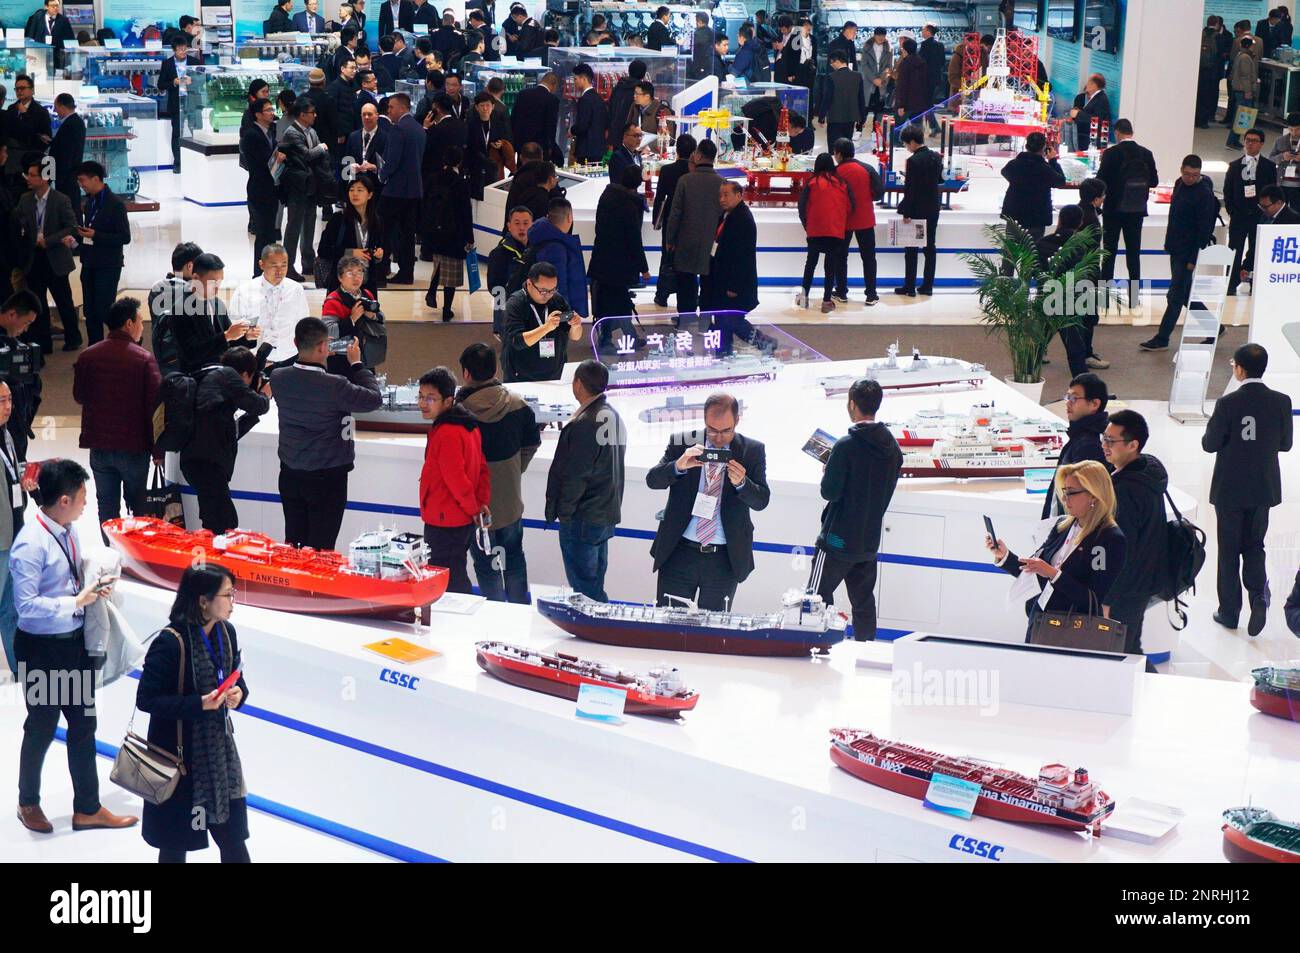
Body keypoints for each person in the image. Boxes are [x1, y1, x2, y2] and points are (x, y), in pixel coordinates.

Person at [12, 459, 138, 835]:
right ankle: (27, 801)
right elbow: (26, 607)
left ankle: (87, 807)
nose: (87, 504)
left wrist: (93, 584)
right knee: (42, 725)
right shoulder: (29, 544)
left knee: (84, 725)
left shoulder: (67, 529)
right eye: (83, 497)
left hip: (72, 646)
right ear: (64, 499)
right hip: (42, 650)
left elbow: (69, 573)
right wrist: (77, 602)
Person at [137, 565, 250, 862]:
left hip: (220, 758)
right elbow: (146, 699)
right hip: (180, 759)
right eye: (227, 594)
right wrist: (197, 705)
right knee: (175, 845)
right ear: (203, 601)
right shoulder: (170, 642)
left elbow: (236, 679)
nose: (232, 601)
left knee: (234, 841)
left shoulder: (227, 633)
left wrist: (239, 695)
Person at [646, 392, 769, 611]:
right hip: (679, 553)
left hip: (724, 559)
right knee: (669, 627)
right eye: (712, 430)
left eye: (726, 431)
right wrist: (678, 466)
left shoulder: (752, 450)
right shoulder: (682, 442)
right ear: (704, 420)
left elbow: (761, 500)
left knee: (713, 634)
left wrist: (742, 483)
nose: (719, 438)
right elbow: (653, 480)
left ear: (737, 421)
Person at [1203, 343, 1294, 636]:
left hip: (1230, 488)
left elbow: (1209, 444)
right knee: (1254, 545)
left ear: (1239, 369)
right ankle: (1258, 596)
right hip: (1262, 487)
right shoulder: (1281, 401)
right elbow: (1286, 444)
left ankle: (1229, 612)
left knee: (1228, 550)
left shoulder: (1227, 403)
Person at [271, 318, 381, 550]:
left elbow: (294, 367)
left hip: (290, 474)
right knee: (321, 550)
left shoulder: (278, 378)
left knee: (294, 544)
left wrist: (314, 352)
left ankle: (295, 584)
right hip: (327, 478)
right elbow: (373, 398)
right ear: (324, 347)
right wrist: (357, 363)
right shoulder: (335, 385)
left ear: (295, 343)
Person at [986, 460, 1127, 640]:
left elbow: (1091, 598)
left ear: (1094, 495)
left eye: (1072, 493)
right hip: (1040, 621)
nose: (1065, 499)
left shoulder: (1109, 539)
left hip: (1073, 631)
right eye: (1064, 492)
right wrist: (1005, 556)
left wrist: (1054, 574)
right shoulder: (1062, 526)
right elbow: (1035, 570)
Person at [811, 378, 901, 641]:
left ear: (852, 404)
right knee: (863, 603)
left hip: (836, 540)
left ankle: (820, 646)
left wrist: (828, 470)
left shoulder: (845, 446)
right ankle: (866, 652)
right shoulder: (893, 449)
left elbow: (829, 492)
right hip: (868, 540)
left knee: (816, 598)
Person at [457, 344, 539, 603]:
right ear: (495, 369)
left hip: (476, 508)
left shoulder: (458, 413)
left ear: (466, 373)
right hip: (510, 501)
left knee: (484, 564)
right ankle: (518, 610)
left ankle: (493, 617)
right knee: (515, 559)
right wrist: (514, 469)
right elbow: (532, 443)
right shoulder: (518, 404)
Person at [72, 295, 160, 527]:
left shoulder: (87, 356)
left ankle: (112, 555)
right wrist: (158, 448)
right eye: (141, 321)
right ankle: (136, 558)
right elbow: (155, 408)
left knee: (107, 507)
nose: (143, 327)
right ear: (129, 324)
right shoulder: (143, 359)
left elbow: (79, 396)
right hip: (134, 447)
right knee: (139, 507)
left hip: (99, 445)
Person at [544, 360, 626, 601]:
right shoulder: (611, 416)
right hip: (602, 514)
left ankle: (593, 631)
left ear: (578, 384)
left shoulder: (587, 422)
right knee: (594, 581)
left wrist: (565, 512)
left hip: (583, 517)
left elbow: (576, 475)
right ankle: (599, 628)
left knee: (585, 588)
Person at [1099, 409, 1167, 668]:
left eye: (1111, 441)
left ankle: (1155, 698)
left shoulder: (1126, 490)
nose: (1105, 446)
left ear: (1133, 445)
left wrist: (1108, 599)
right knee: (1130, 648)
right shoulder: (1147, 473)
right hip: (1142, 581)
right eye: (1104, 438)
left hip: (1127, 588)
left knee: (1125, 652)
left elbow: (1122, 549)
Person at [180, 347, 270, 534]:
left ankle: (209, 559)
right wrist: (265, 395)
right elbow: (258, 405)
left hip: (194, 459)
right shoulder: (228, 376)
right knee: (225, 521)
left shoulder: (209, 377)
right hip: (207, 463)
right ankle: (213, 561)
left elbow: (230, 429)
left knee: (214, 518)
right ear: (245, 374)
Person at [416, 366, 489, 595]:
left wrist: (475, 508)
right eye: (420, 396)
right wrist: (480, 505)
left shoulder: (447, 431)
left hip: (445, 520)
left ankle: (453, 623)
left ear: (448, 401)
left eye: (431, 398)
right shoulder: (468, 425)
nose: (423, 403)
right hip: (459, 519)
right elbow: (482, 469)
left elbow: (455, 479)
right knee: (455, 571)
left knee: (448, 579)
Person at [1140, 155, 1218, 351]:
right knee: (1184, 294)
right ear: (1181, 169)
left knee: (1175, 295)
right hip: (1175, 247)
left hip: (1187, 253)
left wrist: (1193, 259)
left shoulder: (1204, 195)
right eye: (1186, 174)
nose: (1190, 178)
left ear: (1200, 173)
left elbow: (1204, 230)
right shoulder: (1179, 184)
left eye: (1194, 175)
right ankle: (1214, 327)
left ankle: (1162, 338)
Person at [15, 153, 79, 353]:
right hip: (35, 259)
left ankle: (73, 337)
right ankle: (44, 342)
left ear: (44, 178)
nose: (28, 178)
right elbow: (17, 223)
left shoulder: (61, 200)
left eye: (33, 175)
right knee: (38, 302)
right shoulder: (25, 200)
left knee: (64, 300)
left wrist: (48, 241)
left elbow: (71, 227)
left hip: (55, 257)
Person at [1096, 118, 1157, 310]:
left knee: (1109, 253)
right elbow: (1154, 181)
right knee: (1133, 253)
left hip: (1113, 210)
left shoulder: (1111, 154)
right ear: (1131, 132)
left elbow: (1100, 181)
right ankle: (1133, 298)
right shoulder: (1146, 153)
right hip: (1136, 210)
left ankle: (1104, 297)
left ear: (1117, 133)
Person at [588, 166, 650, 351]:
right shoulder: (630, 204)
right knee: (620, 302)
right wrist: (643, 267)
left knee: (607, 302)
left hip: (602, 258)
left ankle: (613, 338)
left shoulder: (607, 196)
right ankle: (615, 340)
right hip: (620, 265)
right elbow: (633, 239)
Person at [71, 160, 130, 347]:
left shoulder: (115, 204)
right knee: (90, 312)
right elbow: (90, 235)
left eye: (83, 180)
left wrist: (97, 235)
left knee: (105, 310)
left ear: (96, 178)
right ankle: (94, 349)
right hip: (89, 263)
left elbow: (124, 237)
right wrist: (76, 241)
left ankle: (119, 347)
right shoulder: (90, 203)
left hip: (108, 265)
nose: (81, 184)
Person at [706, 181, 767, 354]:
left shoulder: (742, 219)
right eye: (720, 195)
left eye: (726, 194)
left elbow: (743, 257)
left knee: (731, 320)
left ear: (739, 195)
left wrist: (734, 286)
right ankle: (723, 353)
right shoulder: (728, 215)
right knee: (724, 320)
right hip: (722, 279)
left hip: (734, 284)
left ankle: (765, 343)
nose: (722, 199)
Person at [174, 254, 259, 374]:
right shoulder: (179, 308)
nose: (217, 288)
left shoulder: (217, 303)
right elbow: (190, 353)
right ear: (196, 278)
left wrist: (245, 337)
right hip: (194, 377)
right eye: (212, 283)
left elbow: (228, 343)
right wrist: (227, 336)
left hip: (219, 373)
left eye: (220, 282)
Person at [665, 139, 723, 315]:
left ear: (697, 155)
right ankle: (705, 322)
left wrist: (670, 239)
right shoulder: (722, 182)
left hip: (686, 240)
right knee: (709, 284)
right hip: (711, 242)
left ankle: (686, 320)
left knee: (685, 283)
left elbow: (675, 214)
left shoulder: (685, 181)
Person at [278, 98, 333, 282]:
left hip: (311, 186)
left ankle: (308, 262)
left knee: (309, 225)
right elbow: (308, 155)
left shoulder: (311, 131)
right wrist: (321, 147)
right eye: (312, 112)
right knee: (294, 227)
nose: (315, 115)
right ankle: (289, 266)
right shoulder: (292, 133)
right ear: (302, 114)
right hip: (297, 187)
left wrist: (319, 149)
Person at [229, 243, 310, 364]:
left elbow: (304, 322)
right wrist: (246, 334)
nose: (280, 270)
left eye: (284, 265)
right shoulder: (244, 290)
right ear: (262, 264)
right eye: (274, 265)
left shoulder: (296, 289)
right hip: (254, 357)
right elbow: (234, 322)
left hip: (289, 355)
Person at [0, 376, 32, 677]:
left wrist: (25, 477)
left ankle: (19, 669)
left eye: (9, 400)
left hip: (13, 534)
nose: (8, 407)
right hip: (0, 540)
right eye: (1, 401)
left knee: (12, 607)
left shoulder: (6, 435)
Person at [502, 261, 582, 383]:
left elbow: (575, 337)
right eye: (543, 291)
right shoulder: (515, 303)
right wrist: (546, 328)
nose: (548, 295)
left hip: (555, 375)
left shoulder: (557, 300)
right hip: (522, 377)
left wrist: (576, 326)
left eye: (553, 290)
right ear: (529, 283)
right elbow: (517, 341)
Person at [1043, 372, 1109, 518]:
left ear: (1094, 404)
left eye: (1074, 398)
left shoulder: (1090, 444)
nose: (1068, 403)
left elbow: (1084, 501)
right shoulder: (1082, 435)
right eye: (1067, 397)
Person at [1037, 205, 1092, 378]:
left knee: (1040, 337)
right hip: (1070, 300)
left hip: (1047, 297)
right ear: (1080, 223)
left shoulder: (1043, 242)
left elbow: (1034, 270)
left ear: (1059, 220)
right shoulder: (1081, 245)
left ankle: (1029, 367)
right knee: (1075, 347)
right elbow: (1088, 275)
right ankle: (1083, 381)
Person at [378, 93, 424, 285]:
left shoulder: (398, 130)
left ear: (402, 108)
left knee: (384, 231)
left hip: (395, 190)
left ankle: (381, 270)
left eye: (391, 107)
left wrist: (382, 175)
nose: (389, 111)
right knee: (407, 233)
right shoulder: (419, 129)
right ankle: (407, 272)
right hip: (414, 189)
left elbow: (392, 160)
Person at [1224, 128, 1276, 296]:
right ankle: (1231, 284)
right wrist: (1232, 210)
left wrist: (1266, 213)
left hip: (1259, 216)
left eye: (1254, 141)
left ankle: (1255, 283)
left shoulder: (1268, 167)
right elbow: (1227, 191)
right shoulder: (1234, 166)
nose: (1250, 144)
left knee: (1257, 251)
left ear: (1261, 144)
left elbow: (1272, 190)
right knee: (1234, 251)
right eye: (1247, 140)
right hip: (1239, 216)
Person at [797, 153, 851, 314]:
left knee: (810, 264)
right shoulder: (842, 183)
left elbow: (802, 207)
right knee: (830, 266)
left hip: (815, 230)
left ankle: (804, 299)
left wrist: (807, 225)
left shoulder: (811, 182)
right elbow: (849, 206)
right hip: (835, 230)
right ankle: (826, 301)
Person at [424, 145, 473, 320]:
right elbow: (466, 212)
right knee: (451, 271)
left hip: (435, 231)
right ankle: (446, 309)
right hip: (455, 233)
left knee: (439, 263)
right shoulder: (460, 183)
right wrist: (469, 237)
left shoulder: (433, 178)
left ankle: (431, 290)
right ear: (459, 162)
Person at [832, 138, 882, 305]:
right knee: (869, 258)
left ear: (838, 154)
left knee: (840, 257)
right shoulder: (867, 169)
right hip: (865, 219)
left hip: (843, 221)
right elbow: (879, 192)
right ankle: (871, 294)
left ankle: (841, 292)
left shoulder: (835, 172)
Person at [318, 174, 385, 297]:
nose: (355, 194)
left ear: (370, 195)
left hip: (367, 283)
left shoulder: (376, 222)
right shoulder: (338, 220)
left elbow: (378, 247)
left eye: (360, 190)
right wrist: (351, 252)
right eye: (351, 190)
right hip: (341, 283)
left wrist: (378, 254)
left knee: (369, 315)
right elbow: (323, 250)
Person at [895, 124, 942, 297]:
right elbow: (939, 179)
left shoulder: (913, 161)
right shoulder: (936, 157)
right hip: (932, 208)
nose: (907, 148)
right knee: (930, 248)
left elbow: (911, 189)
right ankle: (927, 286)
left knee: (911, 249)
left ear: (913, 142)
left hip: (916, 209)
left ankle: (909, 286)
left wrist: (906, 212)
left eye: (907, 144)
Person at [651, 133, 695, 308]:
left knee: (667, 257)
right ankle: (687, 298)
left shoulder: (667, 170)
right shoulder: (693, 173)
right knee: (687, 260)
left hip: (670, 219)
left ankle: (662, 295)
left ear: (676, 151)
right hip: (690, 220)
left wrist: (657, 220)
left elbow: (660, 196)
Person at [1000, 131, 1065, 247]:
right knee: (1033, 257)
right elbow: (1060, 182)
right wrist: (1053, 161)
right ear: (1044, 148)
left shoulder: (1014, 165)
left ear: (1026, 146)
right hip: (1036, 217)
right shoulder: (1045, 169)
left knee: (1010, 255)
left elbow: (1004, 172)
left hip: (1015, 214)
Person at [241, 100, 283, 279]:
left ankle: (270, 267)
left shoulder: (270, 131)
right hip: (259, 189)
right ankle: (258, 272)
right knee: (262, 232)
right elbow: (258, 164)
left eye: (272, 109)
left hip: (271, 189)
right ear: (258, 114)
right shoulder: (252, 135)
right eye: (267, 110)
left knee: (270, 232)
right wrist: (276, 159)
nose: (271, 112)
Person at [528, 197, 587, 320]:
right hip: (553, 316)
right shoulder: (556, 248)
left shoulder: (542, 239)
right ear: (569, 217)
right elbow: (558, 286)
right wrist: (565, 316)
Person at [149, 242, 203, 377]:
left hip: (162, 358)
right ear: (190, 266)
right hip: (189, 362)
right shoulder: (193, 292)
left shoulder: (156, 288)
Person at [0, 294, 42, 465]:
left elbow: (33, 385)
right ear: (12, 314)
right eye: (26, 322)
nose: (26, 329)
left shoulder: (16, 347)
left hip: (17, 428)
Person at [320, 255, 381, 366]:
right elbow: (327, 331)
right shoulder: (332, 300)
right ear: (340, 277)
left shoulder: (367, 294)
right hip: (341, 357)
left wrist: (373, 317)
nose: (356, 278)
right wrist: (352, 319)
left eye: (359, 273)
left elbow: (381, 323)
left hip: (365, 354)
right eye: (350, 273)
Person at [159, 38, 203, 173]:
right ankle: (178, 163)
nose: (183, 51)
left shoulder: (195, 62)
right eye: (180, 49)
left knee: (197, 132)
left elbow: (204, 79)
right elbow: (161, 84)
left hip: (193, 102)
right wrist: (173, 82)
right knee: (177, 134)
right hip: (176, 103)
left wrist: (193, 80)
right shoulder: (167, 64)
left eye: (185, 48)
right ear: (174, 50)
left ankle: (197, 161)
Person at [487, 206, 530, 338]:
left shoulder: (537, 249)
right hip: (509, 309)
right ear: (509, 226)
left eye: (526, 223)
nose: (522, 228)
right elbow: (495, 288)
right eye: (517, 223)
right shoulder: (499, 253)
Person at [467, 91, 514, 195]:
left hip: (495, 166)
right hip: (476, 167)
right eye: (482, 105)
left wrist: (501, 144)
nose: (485, 108)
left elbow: (506, 139)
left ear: (493, 106)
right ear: (476, 107)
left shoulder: (499, 123)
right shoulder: (470, 125)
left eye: (488, 105)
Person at [818, 51, 866, 150]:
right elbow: (861, 98)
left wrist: (821, 116)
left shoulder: (831, 77)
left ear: (837, 61)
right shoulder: (857, 76)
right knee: (846, 146)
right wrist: (862, 118)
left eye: (832, 62)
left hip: (835, 117)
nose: (831, 65)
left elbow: (827, 98)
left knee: (834, 147)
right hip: (851, 117)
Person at [511, 72, 561, 163]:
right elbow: (551, 126)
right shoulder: (552, 100)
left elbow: (513, 118)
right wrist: (550, 146)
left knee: (523, 170)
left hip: (522, 144)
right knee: (538, 172)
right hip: (540, 146)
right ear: (554, 85)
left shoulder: (522, 94)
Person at [47, 93, 85, 204]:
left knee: (69, 207)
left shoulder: (71, 124)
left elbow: (67, 152)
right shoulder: (74, 122)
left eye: (56, 107)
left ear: (62, 107)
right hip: (67, 176)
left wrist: (60, 176)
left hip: (66, 177)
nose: (55, 110)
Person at [568, 64, 607, 165]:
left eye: (575, 79)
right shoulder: (598, 98)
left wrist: (572, 130)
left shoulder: (585, 99)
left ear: (583, 79)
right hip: (598, 148)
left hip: (586, 149)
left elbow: (582, 126)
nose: (574, 82)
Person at [1226, 38, 1259, 150]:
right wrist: (1248, 91)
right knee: (1241, 117)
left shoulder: (1240, 55)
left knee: (1240, 116)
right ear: (1249, 46)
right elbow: (1245, 76)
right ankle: (1232, 141)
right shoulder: (1245, 58)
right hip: (1243, 91)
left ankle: (1234, 140)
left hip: (1239, 90)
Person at [861, 27, 893, 133]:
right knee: (864, 107)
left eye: (883, 36)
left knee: (879, 109)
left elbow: (889, 66)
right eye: (879, 35)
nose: (881, 38)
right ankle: (858, 129)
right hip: (869, 82)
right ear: (874, 36)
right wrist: (874, 79)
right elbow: (864, 66)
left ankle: (875, 132)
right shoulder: (867, 47)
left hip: (882, 83)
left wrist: (882, 78)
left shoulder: (888, 49)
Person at [1269, 112, 1300, 211]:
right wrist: (1282, 157)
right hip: (1282, 184)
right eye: (1291, 129)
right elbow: (1270, 159)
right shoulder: (1280, 141)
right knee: (1281, 212)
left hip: (1298, 186)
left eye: (1298, 129)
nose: (1294, 133)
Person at [1070, 73, 1111, 148]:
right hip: (1086, 139)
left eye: (1088, 82)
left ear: (1094, 85)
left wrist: (1078, 114)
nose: (1086, 85)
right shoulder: (1095, 98)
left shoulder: (1101, 99)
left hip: (1093, 142)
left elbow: (1097, 120)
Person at [606, 121, 644, 191]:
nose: (639, 139)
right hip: (625, 198)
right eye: (635, 136)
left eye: (640, 135)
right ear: (625, 136)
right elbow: (616, 183)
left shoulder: (638, 155)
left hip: (638, 195)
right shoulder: (617, 157)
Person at [688, 13, 715, 81]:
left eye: (696, 21)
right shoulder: (713, 32)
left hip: (698, 66)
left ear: (699, 22)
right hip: (710, 65)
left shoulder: (697, 34)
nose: (696, 24)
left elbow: (690, 48)